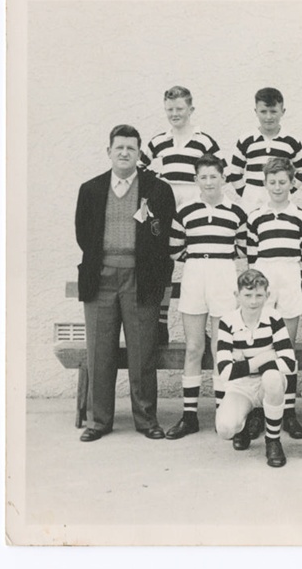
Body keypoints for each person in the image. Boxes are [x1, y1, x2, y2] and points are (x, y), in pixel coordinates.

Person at [75, 124, 175, 442]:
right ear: (109, 151)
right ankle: (98, 421)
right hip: (100, 277)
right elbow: (83, 234)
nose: (124, 153)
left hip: (140, 278)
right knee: (100, 352)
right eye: (119, 147)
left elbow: (161, 234)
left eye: (131, 148)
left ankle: (146, 419)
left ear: (139, 153)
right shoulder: (90, 189)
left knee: (142, 352)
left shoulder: (157, 189)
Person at [164, 154, 248, 439]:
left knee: (220, 348)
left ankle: (223, 413)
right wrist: (200, 259)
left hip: (224, 274)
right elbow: (175, 249)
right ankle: (189, 416)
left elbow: (243, 247)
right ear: (195, 180)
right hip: (194, 274)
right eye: (203, 177)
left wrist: (218, 258)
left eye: (214, 176)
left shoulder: (236, 212)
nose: (209, 182)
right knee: (193, 347)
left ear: (223, 178)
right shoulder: (185, 211)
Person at [139, 85, 223, 344]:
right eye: (169, 109)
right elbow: (139, 167)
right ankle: (161, 322)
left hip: (193, 208)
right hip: (166, 207)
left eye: (179, 108)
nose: (174, 114)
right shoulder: (159, 140)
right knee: (164, 262)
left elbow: (220, 170)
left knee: (196, 264)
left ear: (191, 109)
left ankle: (202, 328)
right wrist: (158, 182)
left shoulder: (204, 140)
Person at [245, 157, 302, 440]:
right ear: (265, 183)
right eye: (272, 182)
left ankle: (288, 411)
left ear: (292, 183)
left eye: (282, 182)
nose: (277, 187)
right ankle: (259, 411)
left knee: (286, 348)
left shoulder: (301, 217)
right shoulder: (255, 216)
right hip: (264, 275)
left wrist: (294, 279)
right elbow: (251, 255)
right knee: (260, 346)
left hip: (289, 276)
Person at [214, 269, 295, 468]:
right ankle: (243, 424)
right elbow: (225, 371)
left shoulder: (274, 318)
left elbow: (289, 363)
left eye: (259, 295)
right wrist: (264, 357)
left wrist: (243, 363)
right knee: (225, 429)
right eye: (247, 295)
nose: (253, 301)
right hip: (241, 387)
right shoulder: (227, 322)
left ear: (267, 295)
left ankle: (273, 440)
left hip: (266, 384)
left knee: (273, 377)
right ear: (237, 295)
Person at [228, 87, 302, 216]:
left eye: (273, 111)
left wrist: (287, 190)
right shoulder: (246, 140)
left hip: (280, 200)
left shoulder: (291, 141)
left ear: (283, 112)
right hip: (252, 202)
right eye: (263, 111)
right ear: (256, 111)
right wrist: (245, 193)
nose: (268, 117)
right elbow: (234, 172)